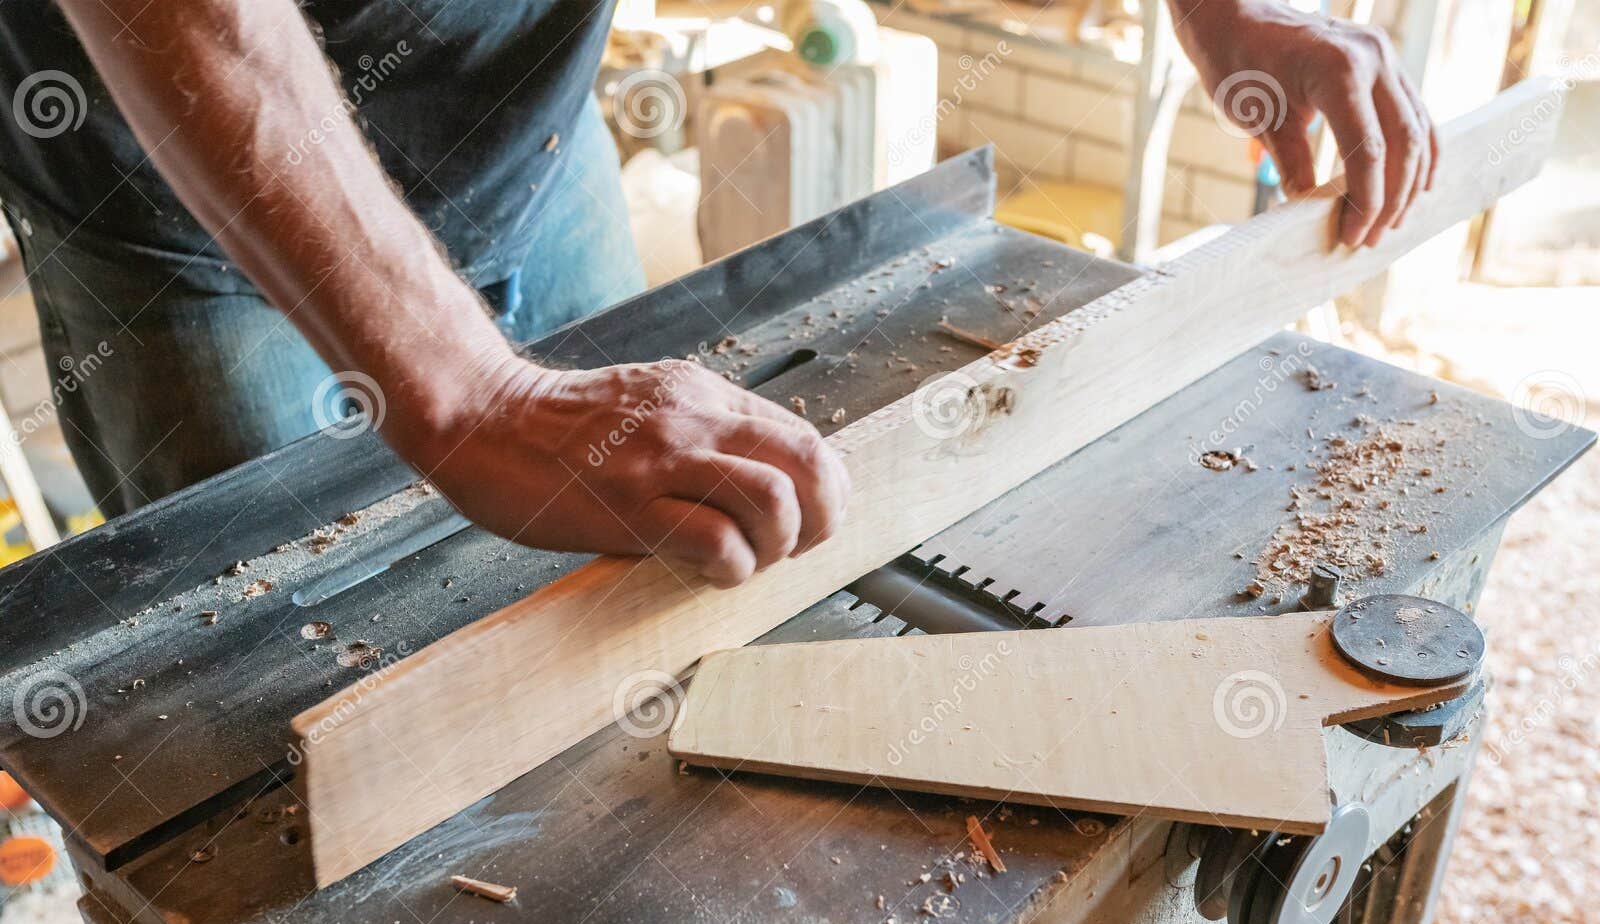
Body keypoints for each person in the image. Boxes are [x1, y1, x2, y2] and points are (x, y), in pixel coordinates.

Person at [0, 0, 1435, 587]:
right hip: (185, 191)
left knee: (647, 576)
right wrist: (472, 394)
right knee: (273, 772)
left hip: (525, 120)